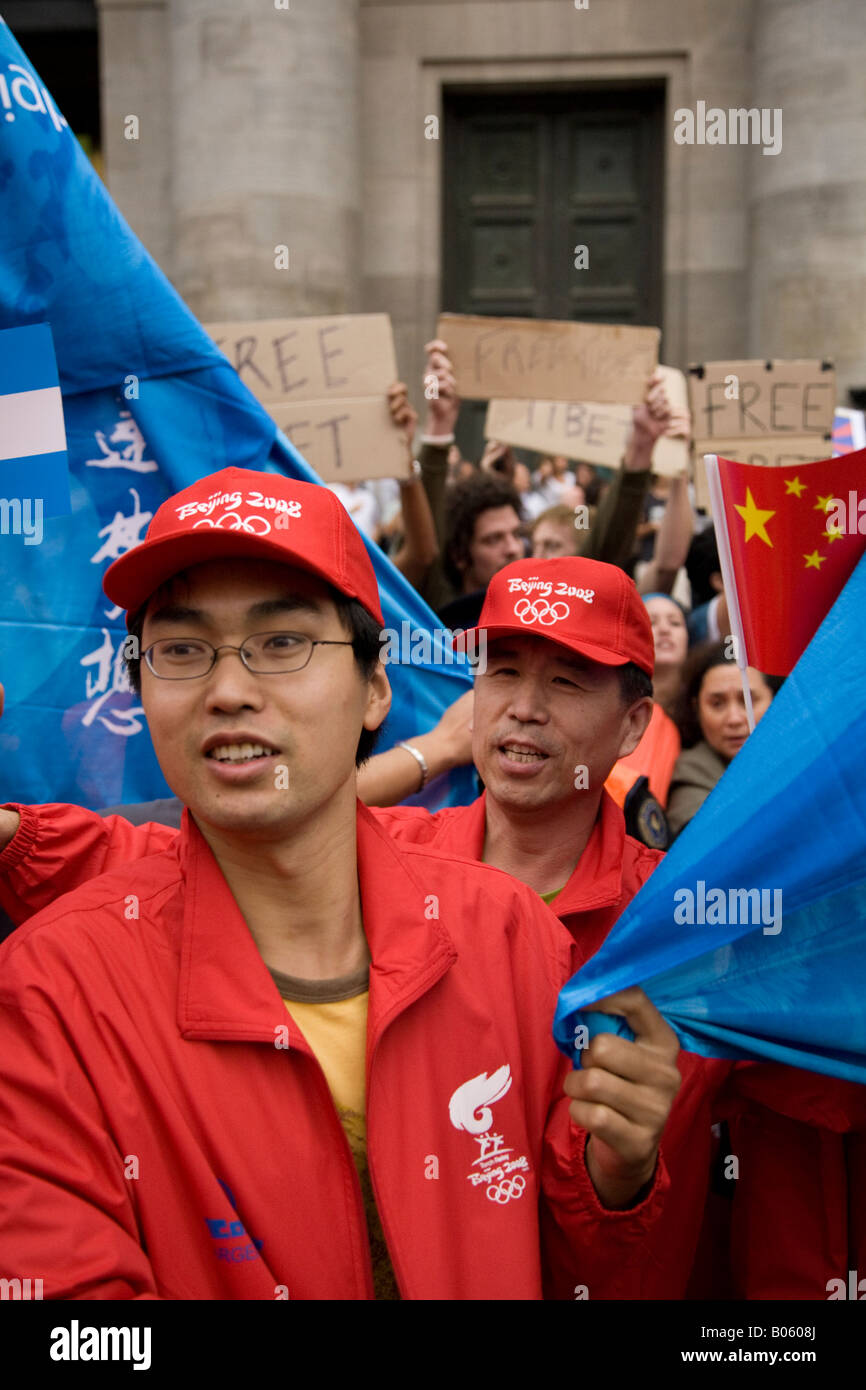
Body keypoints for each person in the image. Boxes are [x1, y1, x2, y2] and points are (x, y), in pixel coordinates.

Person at [3, 550, 863, 1298]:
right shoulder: (378, 857)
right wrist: (16, 836)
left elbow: (820, 1070)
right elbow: (170, 861)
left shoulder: (698, 932)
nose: (524, 708)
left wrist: (622, 1174)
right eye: (500, 672)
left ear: (636, 723)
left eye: (565, 680)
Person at [667, 641, 778, 837]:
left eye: (749, 701)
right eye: (717, 704)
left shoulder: (805, 752)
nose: (734, 719)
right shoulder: (691, 772)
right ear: (696, 709)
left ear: (776, 699)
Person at [642, 593, 689, 718]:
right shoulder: (618, 700)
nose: (664, 629)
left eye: (675, 623)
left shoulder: (700, 700)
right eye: (651, 622)